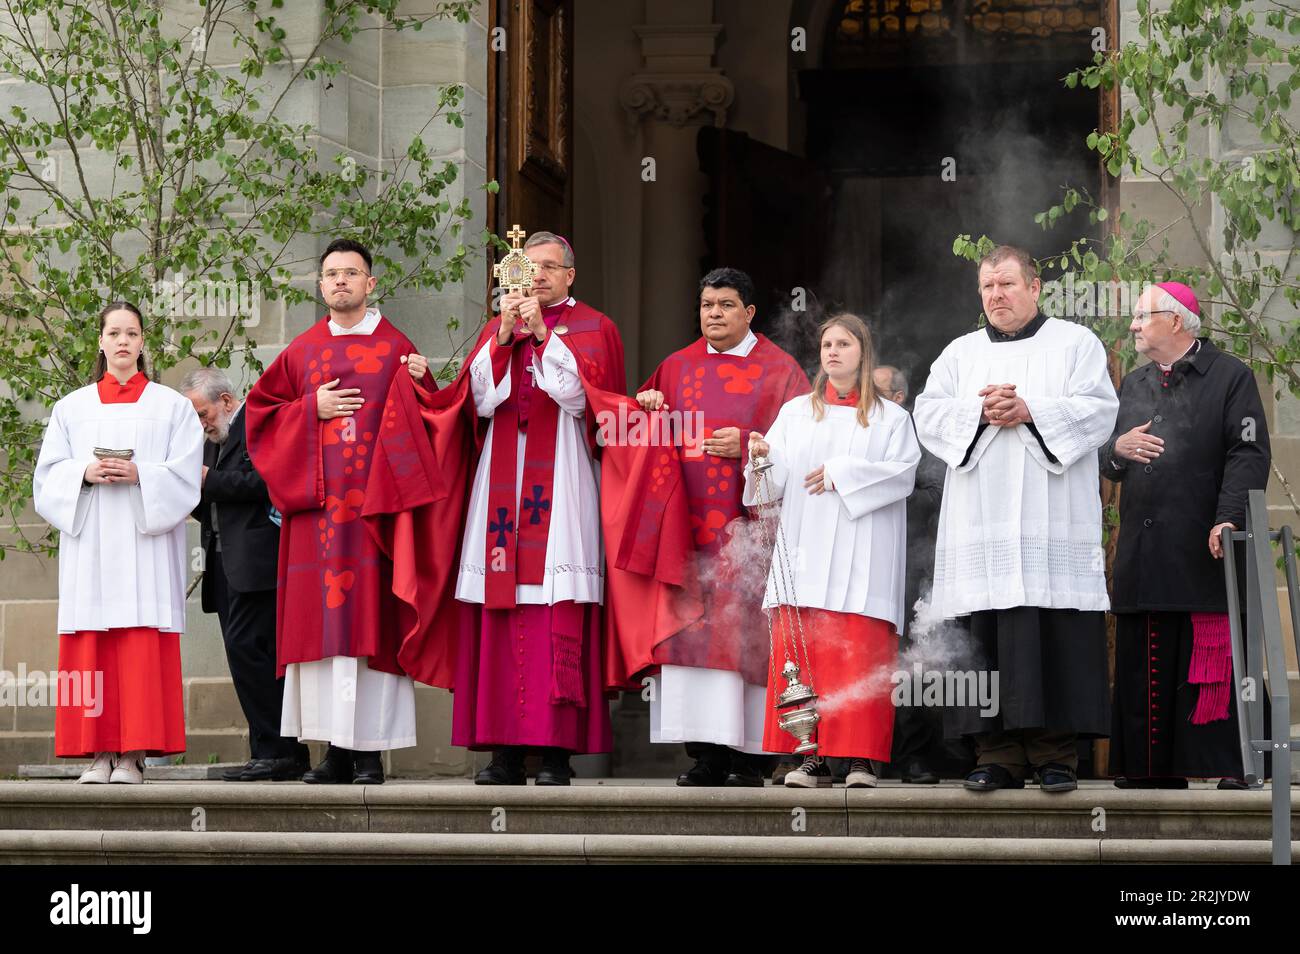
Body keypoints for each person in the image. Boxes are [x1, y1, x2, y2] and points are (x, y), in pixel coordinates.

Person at [914, 245, 1118, 793]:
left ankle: (1055, 756)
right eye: (986, 287)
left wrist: (1031, 410)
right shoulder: (960, 353)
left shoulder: (1076, 344)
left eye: (1006, 284)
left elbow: (1100, 411)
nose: (996, 296)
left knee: (1052, 630)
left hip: (1051, 521)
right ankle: (995, 754)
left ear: (1035, 286)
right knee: (984, 633)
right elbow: (928, 413)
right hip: (980, 519)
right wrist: (978, 412)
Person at [246, 238, 433, 785]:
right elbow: (259, 417)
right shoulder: (301, 352)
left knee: (369, 631)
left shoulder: (399, 348)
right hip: (319, 519)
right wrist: (312, 409)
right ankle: (334, 752)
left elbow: (436, 425)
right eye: (331, 274)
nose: (341, 282)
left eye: (352, 273)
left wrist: (423, 387)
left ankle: (370, 752)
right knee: (323, 636)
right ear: (320, 285)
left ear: (371, 284)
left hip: (374, 519)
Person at [453, 232, 625, 785]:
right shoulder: (495, 326)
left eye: (550, 268)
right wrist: (504, 335)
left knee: (559, 603)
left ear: (570, 275)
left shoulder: (596, 327)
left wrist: (542, 334)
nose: (539, 277)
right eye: (529, 269)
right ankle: (502, 751)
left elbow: (583, 400)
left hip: (565, 479)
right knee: (499, 607)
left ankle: (555, 753)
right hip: (501, 480)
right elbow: (477, 402)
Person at [636, 267, 810, 787]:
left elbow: (807, 443)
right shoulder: (675, 366)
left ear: (749, 312)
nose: (714, 313)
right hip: (686, 530)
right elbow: (628, 433)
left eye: (726, 305)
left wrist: (754, 443)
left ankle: (752, 758)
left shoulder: (781, 371)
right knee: (693, 634)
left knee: (746, 638)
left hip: (752, 532)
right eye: (708, 304)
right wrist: (644, 407)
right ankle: (705, 755)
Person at [1102, 282, 1271, 790]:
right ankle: (1153, 768)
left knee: (1214, 656)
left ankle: (1230, 763)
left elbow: (1248, 454)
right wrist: (1117, 450)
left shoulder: (1231, 376)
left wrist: (1229, 517)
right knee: (1147, 658)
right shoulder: (1133, 383)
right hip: (1145, 547)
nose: (1132, 325)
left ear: (1175, 321)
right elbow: (1107, 457)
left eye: (1140, 316)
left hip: (1203, 542)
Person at [746, 314, 920, 788]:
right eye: (826, 344)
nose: (832, 352)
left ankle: (860, 759)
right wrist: (759, 460)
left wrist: (843, 471)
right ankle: (809, 756)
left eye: (843, 343)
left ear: (863, 352)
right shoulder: (796, 413)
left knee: (859, 655)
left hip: (863, 554)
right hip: (805, 551)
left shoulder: (891, 418)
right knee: (805, 656)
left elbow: (903, 475)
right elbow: (767, 490)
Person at [34, 301, 204, 784]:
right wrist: (83, 473)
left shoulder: (171, 407)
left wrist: (140, 474)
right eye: (114, 332)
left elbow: (186, 477)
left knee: (138, 647)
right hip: (90, 547)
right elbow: (47, 479)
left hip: (143, 548)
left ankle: (132, 755)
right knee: (91, 646)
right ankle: (97, 754)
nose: (123, 341)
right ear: (101, 342)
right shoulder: (71, 408)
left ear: (143, 342)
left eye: (132, 332)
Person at [183, 366, 311, 782]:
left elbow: (265, 483)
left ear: (225, 401)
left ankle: (280, 750)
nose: (201, 423)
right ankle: (268, 750)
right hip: (220, 560)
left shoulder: (258, 425)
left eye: (202, 413)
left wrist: (208, 481)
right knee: (243, 657)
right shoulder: (210, 440)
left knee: (253, 651)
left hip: (256, 559)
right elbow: (212, 498)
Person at [874, 363, 948, 784]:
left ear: (900, 398)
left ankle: (914, 756)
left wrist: (878, 490)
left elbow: (936, 493)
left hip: (909, 567)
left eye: (880, 392)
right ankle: (857, 755)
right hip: (862, 565)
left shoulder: (918, 436)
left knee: (911, 663)